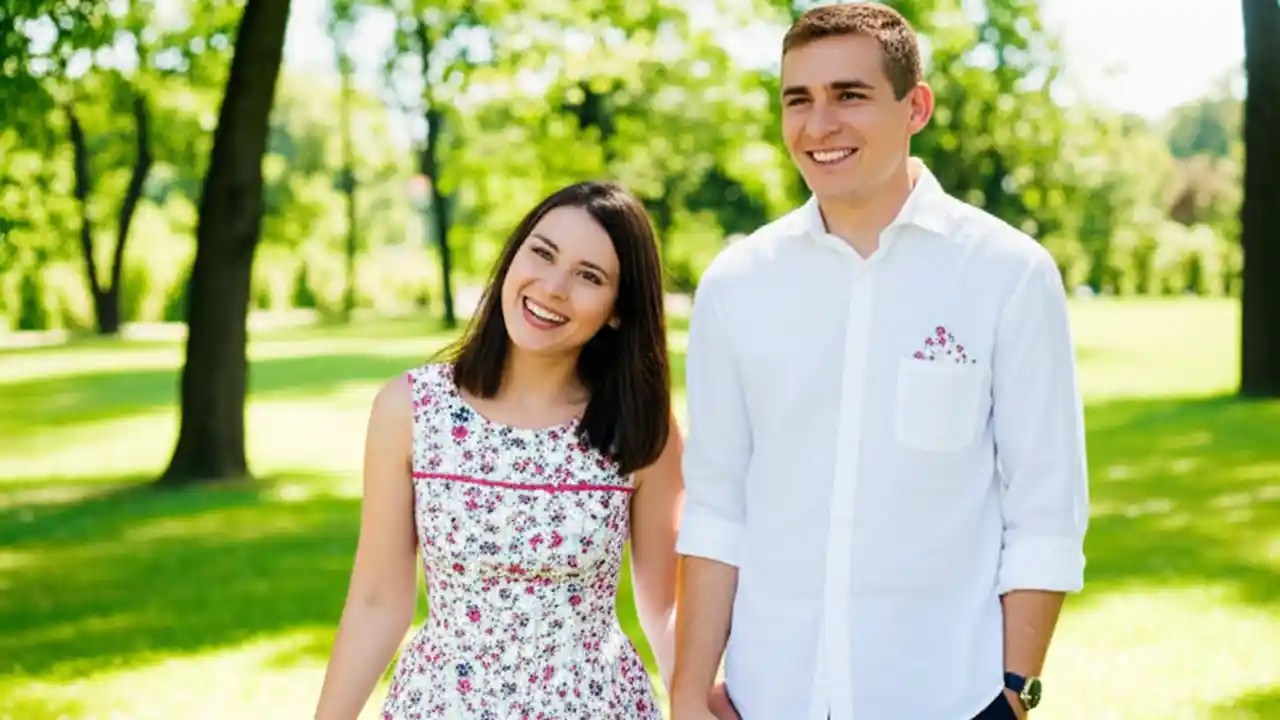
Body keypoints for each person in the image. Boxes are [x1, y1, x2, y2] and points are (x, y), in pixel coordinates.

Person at [670, 4, 1089, 720]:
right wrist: (686, 694)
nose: (818, 124)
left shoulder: (1008, 273)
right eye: (798, 100)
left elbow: (1045, 510)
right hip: (772, 695)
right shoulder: (737, 283)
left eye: (850, 95)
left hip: (945, 697)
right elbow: (716, 508)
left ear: (915, 106)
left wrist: (1014, 695)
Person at [315, 180, 683, 720]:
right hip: (442, 705)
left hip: (595, 706)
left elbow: (665, 605)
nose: (553, 286)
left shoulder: (641, 426)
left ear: (617, 311)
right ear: (513, 258)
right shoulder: (411, 409)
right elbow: (377, 603)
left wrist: (695, 699)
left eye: (589, 276)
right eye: (542, 252)